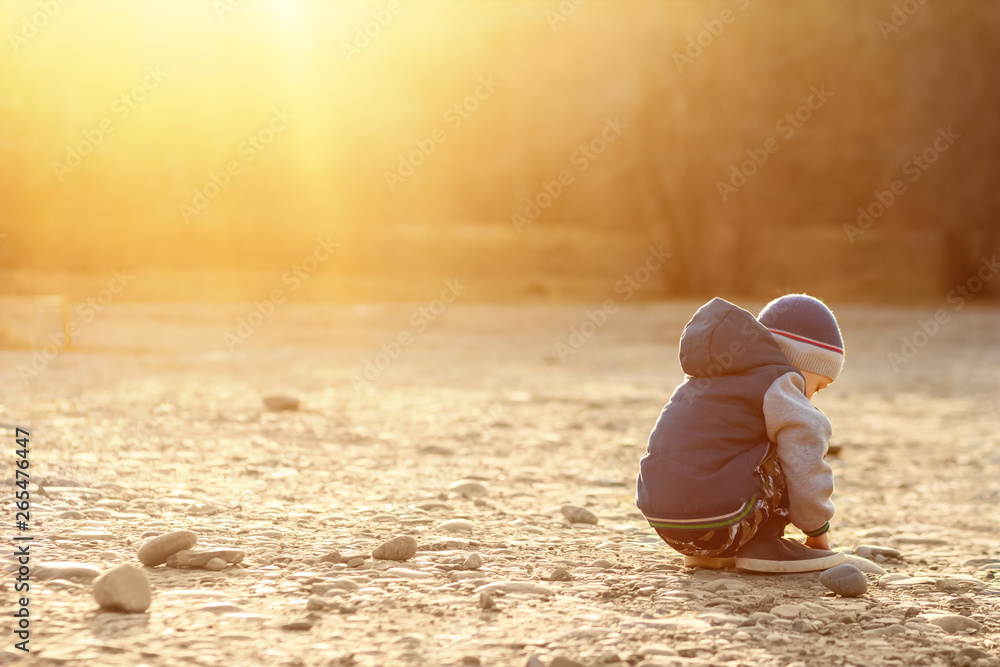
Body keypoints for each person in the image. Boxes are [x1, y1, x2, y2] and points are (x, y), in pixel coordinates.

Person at [636, 294, 847, 573]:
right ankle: (766, 544)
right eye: (817, 387)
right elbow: (805, 462)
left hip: (669, 525)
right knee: (795, 441)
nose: (810, 398)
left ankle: (717, 553)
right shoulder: (779, 382)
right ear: (794, 361)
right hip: (727, 520)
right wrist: (817, 535)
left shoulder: (703, 381)